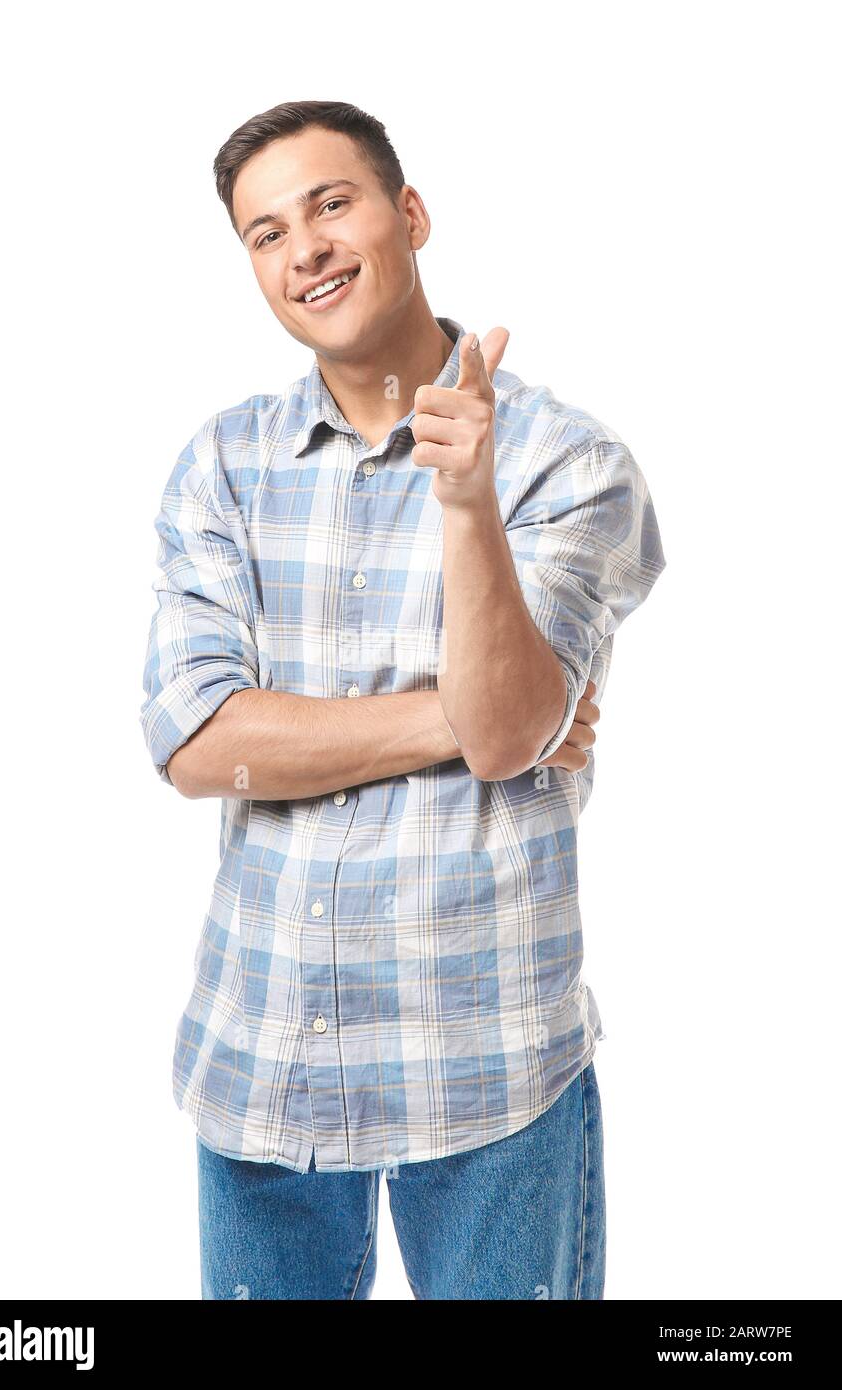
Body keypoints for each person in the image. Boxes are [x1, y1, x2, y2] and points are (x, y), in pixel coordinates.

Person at [139, 100, 667, 1300]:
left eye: (330, 204)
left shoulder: (564, 465)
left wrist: (467, 500)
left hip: (485, 1066)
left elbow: (507, 726)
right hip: (262, 1058)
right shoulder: (222, 463)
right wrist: (460, 717)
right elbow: (196, 742)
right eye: (266, 232)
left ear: (407, 213)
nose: (304, 248)